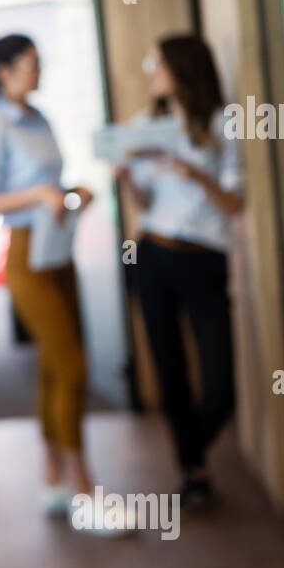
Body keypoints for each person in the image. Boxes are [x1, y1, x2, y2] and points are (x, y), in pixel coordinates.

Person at [0, 34, 133, 536]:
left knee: (52, 367)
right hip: (26, 256)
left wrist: (69, 193)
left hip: (58, 247)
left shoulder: (38, 118)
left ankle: (52, 480)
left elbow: (50, 187)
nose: (38, 73)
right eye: (30, 65)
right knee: (72, 366)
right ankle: (85, 492)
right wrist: (41, 193)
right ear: (3, 71)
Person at [114, 34, 243, 510]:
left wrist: (195, 174)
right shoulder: (146, 125)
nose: (152, 71)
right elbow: (145, 203)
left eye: (158, 63)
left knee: (221, 386)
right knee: (169, 371)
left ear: (183, 68)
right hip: (152, 256)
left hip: (204, 257)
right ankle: (194, 472)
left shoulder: (222, 122)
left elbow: (236, 203)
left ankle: (191, 454)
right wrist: (128, 182)